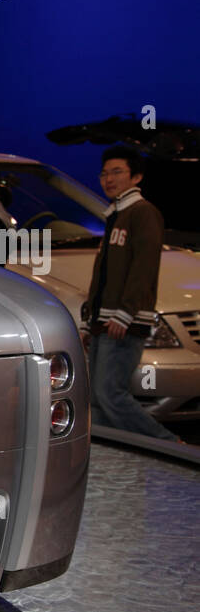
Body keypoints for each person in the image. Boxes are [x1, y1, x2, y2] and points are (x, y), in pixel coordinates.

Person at [80, 145, 180, 442]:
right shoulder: (115, 215)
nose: (108, 179)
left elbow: (144, 267)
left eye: (116, 172)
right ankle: (108, 459)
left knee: (111, 394)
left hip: (123, 320)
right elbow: (103, 274)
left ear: (136, 176)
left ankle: (169, 445)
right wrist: (89, 320)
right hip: (103, 320)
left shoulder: (143, 212)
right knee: (97, 399)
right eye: (104, 173)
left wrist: (125, 312)